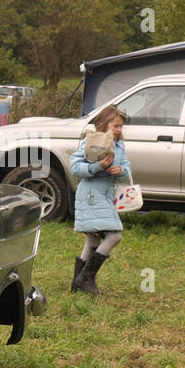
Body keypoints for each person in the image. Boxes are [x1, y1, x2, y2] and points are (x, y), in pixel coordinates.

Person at [69, 104, 131, 296]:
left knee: (93, 239)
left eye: (121, 126)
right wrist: (97, 167)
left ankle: (77, 283)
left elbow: (127, 170)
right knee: (114, 236)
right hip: (91, 195)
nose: (120, 130)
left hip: (105, 195)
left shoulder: (119, 145)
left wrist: (120, 171)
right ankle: (86, 278)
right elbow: (75, 167)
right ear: (105, 124)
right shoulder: (91, 142)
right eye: (116, 126)